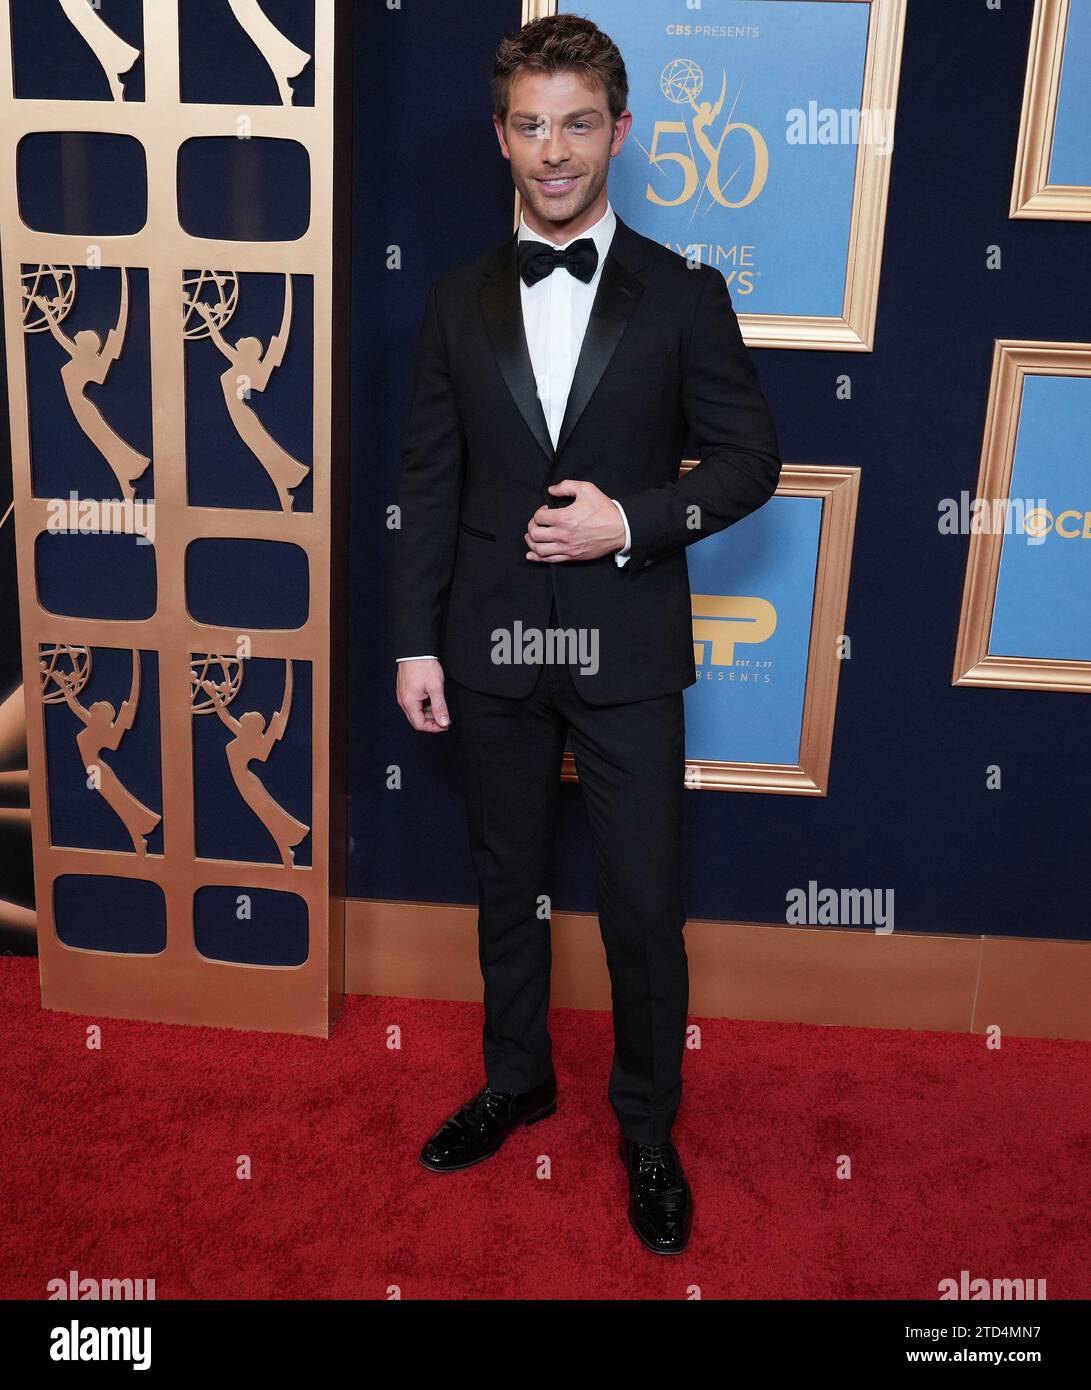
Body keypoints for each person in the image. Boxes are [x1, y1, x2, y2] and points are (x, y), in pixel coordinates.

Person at [392, 13, 781, 1255]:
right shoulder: (456, 301)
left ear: (618, 130)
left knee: (639, 905)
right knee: (507, 886)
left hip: (624, 650)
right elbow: (430, 482)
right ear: (501, 139)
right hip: (492, 647)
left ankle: (646, 1129)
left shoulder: (683, 292)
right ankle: (517, 1077)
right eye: (527, 126)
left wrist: (630, 517)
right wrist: (414, 643)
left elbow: (749, 462)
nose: (551, 151)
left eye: (574, 124)